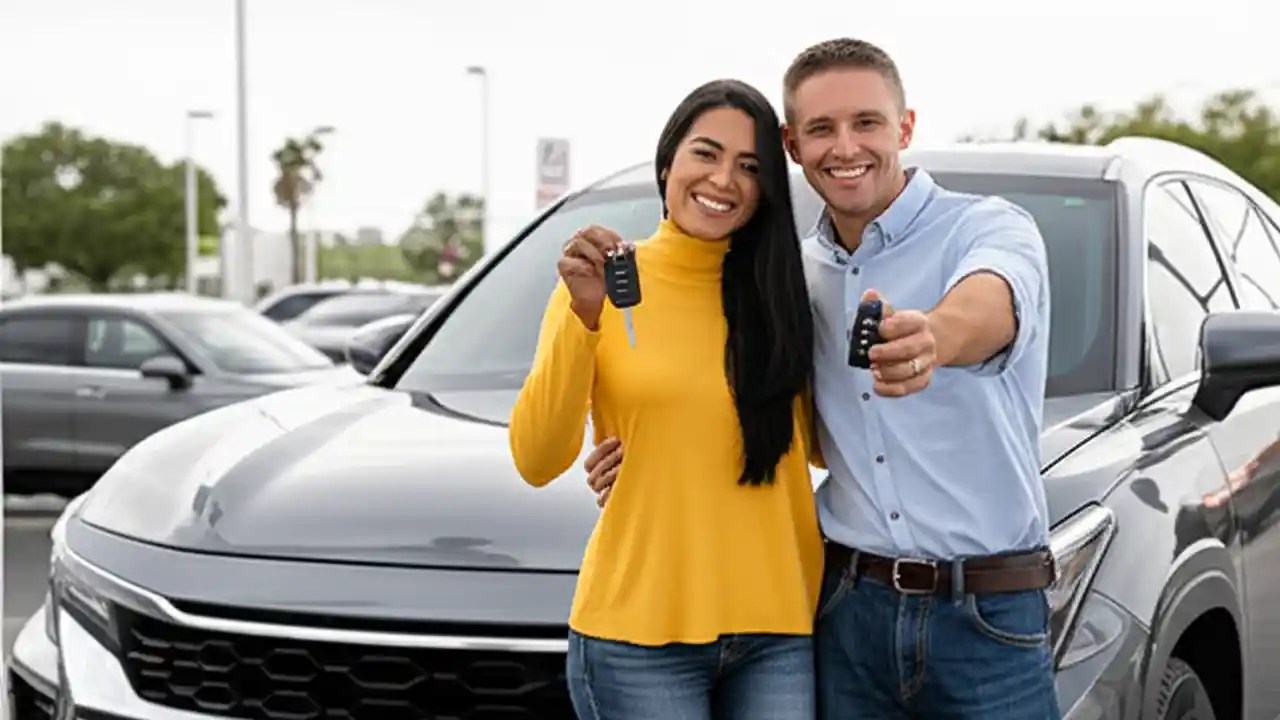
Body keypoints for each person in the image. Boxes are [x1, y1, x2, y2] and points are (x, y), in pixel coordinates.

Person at [584, 38, 1059, 719]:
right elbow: (746, 404)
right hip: (845, 613)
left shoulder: (987, 227)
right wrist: (641, 453)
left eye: (866, 122)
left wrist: (934, 337)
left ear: (905, 127)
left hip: (985, 617)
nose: (845, 147)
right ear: (792, 145)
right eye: (821, 129)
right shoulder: (793, 279)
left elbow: (990, 302)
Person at [508, 78, 824, 720]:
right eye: (705, 154)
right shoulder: (597, 285)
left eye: (749, 165)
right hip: (637, 637)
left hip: (779, 629)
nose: (724, 179)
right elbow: (538, 459)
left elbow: (823, 446)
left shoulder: (788, 293)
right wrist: (583, 316)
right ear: (668, 163)